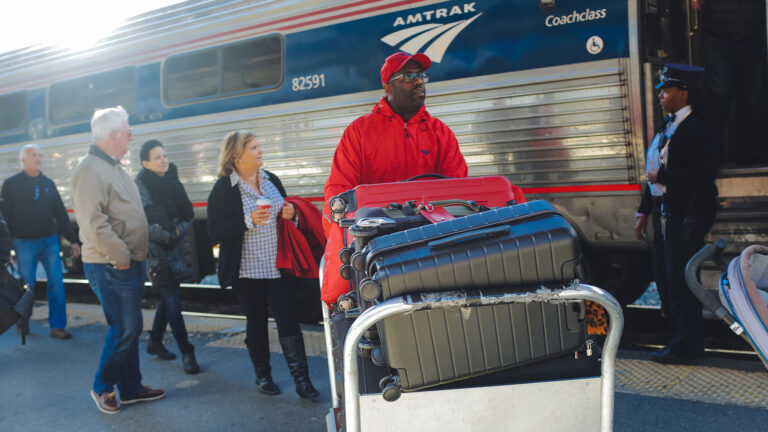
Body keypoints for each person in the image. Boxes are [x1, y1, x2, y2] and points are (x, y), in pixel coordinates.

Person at [321, 51, 469, 305]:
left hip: (432, 248)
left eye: (421, 76)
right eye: (409, 76)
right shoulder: (360, 132)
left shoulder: (441, 133)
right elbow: (338, 193)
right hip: (376, 252)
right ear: (388, 87)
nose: (418, 81)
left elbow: (461, 193)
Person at [207, 131, 319, 399]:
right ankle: (263, 376)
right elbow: (214, 232)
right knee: (256, 324)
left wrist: (291, 214)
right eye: (254, 148)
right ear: (237, 155)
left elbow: (286, 217)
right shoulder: (223, 188)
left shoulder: (272, 180)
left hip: (279, 266)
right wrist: (248, 220)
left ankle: (302, 381)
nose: (260, 151)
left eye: (259, 146)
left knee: (289, 322)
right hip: (247, 272)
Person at [71, 106, 165, 414]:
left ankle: (131, 388)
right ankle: (102, 386)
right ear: (113, 136)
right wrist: (121, 255)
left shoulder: (113, 167)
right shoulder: (89, 170)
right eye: (128, 132)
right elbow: (93, 222)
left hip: (128, 261)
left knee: (130, 327)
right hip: (111, 263)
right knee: (125, 327)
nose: (131, 137)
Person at [640, 64, 718, 364]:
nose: (660, 95)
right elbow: (653, 172)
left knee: (681, 280)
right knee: (664, 278)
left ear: (684, 93)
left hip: (685, 215)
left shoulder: (697, 128)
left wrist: (664, 178)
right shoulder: (667, 126)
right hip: (665, 213)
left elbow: (703, 176)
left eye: (667, 90)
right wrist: (643, 211)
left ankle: (686, 347)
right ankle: (676, 340)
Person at [0, 144, 81, 339]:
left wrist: (73, 240)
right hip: (23, 243)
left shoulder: (48, 183)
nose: (38, 158)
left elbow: (61, 213)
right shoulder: (11, 185)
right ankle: (22, 321)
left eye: (40, 155)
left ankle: (58, 326)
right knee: (27, 286)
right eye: (33, 155)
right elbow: (4, 218)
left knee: (57, 284)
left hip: (49, 241)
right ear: (23, 160)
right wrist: (6, 250)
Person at [135, 139, 200, 374]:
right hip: (157, 252)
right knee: (172, 301)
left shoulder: (173, 180)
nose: (164, 160)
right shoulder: (141, 187)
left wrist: (176, 233)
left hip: (176, 248)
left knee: (168, 298)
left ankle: (155, 341)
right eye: (157, 157)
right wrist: (166, 236)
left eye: (165, 155)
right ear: (145, 163)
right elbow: (142, 221)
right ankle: (186, 351)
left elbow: (188, 214)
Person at [692, 0, 766, 164]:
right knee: (719, 93)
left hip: (752, 33)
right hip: (719, 35)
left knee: (751, 98)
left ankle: (746, 154)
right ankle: (713, 153)